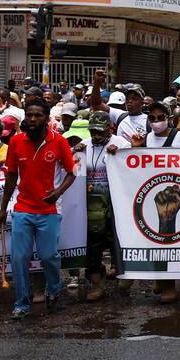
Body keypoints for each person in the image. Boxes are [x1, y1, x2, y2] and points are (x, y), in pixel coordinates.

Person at [0, 100, 78, 319]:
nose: (32, 119)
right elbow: (11, 175)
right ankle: (21, 302)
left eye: (37, 115)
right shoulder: (15, 141)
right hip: (22, 208)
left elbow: (72, 172)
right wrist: (3, 208)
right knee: (19, 257)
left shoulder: (59, 141)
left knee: (48, 255)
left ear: (46, 118)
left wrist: (58, 192)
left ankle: (53, 289)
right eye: (29, 115)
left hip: (49, 210)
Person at [73, 112, 129, 301]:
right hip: (91, 203)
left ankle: (124, 273)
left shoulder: (121, 143)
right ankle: (97, 284)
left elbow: (132, 166)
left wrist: (120, 154)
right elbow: (74, 169)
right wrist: (76, 151)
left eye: (100, 131)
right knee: (93, 244)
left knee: (117, 239)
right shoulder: (84, 144)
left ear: (109, 129)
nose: (96, 135)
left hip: (116, 202)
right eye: (93, 131)